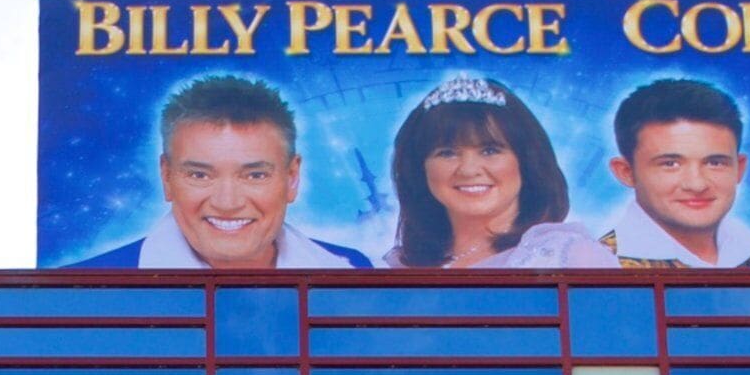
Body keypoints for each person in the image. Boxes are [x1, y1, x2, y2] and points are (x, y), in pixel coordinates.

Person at [75, 75, 372, 271]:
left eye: (255, 175)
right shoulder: (81, 295)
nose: (227, 203)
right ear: (167, 178)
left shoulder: (352, 273)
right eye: (200, 175)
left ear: (292, 178)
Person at [386, 74, 607, 270]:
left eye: (489, 150)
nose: (468, 170)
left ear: (527, 161)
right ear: (419, 168)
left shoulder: (571, 257)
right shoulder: (400, 268)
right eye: (447, 153)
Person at [589, 77, 750, 268]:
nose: (696, 184)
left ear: (739, 169)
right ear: (626, 172)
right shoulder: (594, 271)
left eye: (715, 163)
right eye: (670, 164)